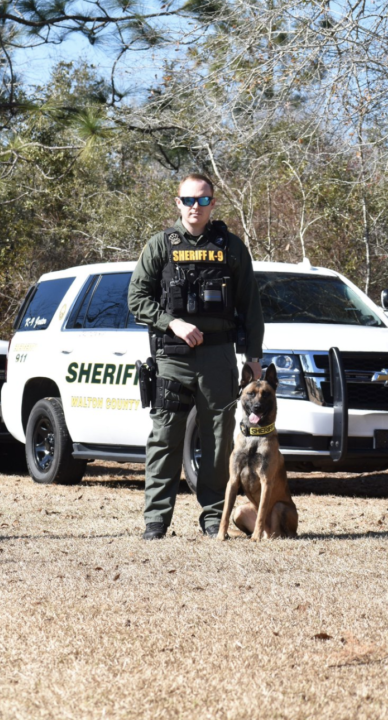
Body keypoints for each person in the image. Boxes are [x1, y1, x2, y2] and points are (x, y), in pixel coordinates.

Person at [128, 174, 264, 540]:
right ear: (177, 203)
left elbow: (251, 307)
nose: (195, 207)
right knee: (165, 438)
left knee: (218, 442)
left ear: (213, 204)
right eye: (188, 200)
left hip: (218, 357)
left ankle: (212, 520)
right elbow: (136, 299)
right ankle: (156, 522)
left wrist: (253, 357)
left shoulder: (231, 248)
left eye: (202, 201)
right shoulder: (160, 246)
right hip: (172, 358)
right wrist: (172, 323)